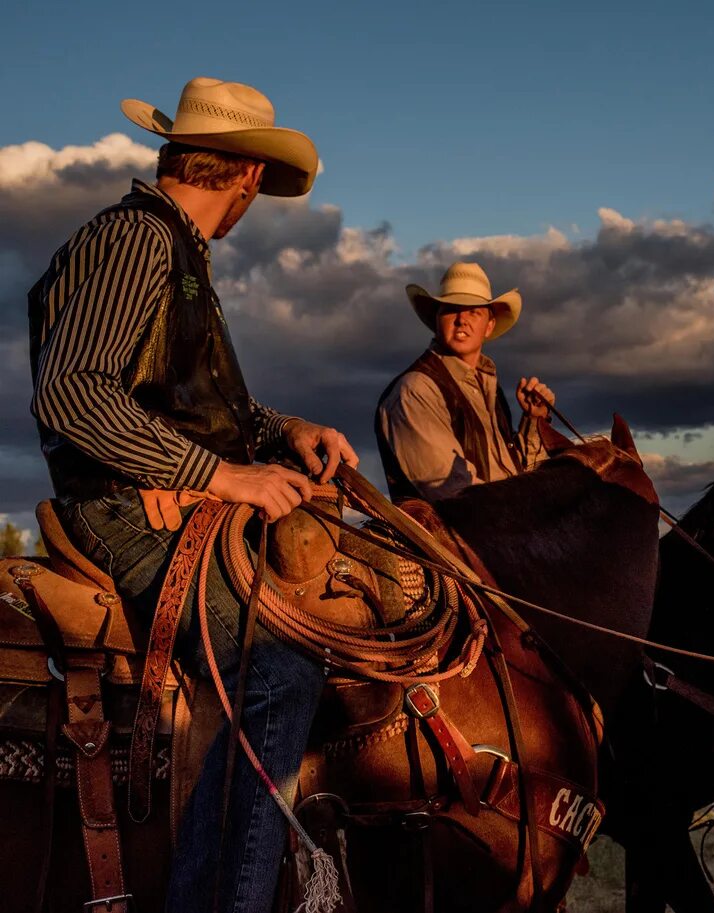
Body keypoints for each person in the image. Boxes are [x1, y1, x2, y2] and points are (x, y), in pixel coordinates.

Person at [28, 77, 355, 913]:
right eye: (259, 181)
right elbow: (72, 393)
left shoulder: (175, 252)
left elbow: (193, 404)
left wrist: (284, 432)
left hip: (167, 502)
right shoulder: (137, 238)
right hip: (127, 511)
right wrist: (226, 476)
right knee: (280, 668)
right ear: (246, 174)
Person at [375, 261, 556, 502]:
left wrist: (534, 420)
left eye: (474, 311)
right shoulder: (416, 390)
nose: (462, 320)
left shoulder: (488, 387)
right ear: (436, 319)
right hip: (451, 537)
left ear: (489, 326)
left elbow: (519, 475)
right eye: (451, 309)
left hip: (506, 529)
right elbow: (456, 495)